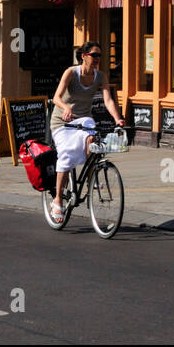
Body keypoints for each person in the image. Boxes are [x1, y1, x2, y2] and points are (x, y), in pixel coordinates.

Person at [49, 41, 125, 223]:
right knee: (66, 156)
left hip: (83, 119)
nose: (98, 59)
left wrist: (117, 118)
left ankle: (92, 178)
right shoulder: (71, 72)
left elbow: (108, 100)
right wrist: (66, 108)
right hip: (62, 122)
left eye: (100, 55)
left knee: (93, 138)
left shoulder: (101, 76)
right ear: (83, 56)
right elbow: (56, 97)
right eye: (94, 55)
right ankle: (58, 199)